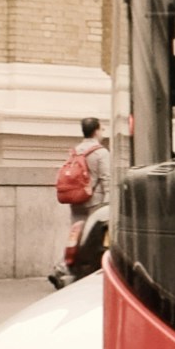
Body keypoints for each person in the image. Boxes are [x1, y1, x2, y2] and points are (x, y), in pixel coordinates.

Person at [51, 117, 112, 286]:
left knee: (74, 237)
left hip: (76, 199)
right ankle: (78, 272)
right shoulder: (101, 152)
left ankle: (62, 268)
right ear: (96, 131)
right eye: (101, 129)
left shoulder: (77, 150)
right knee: (89, 240)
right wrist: (108, 203)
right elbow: (106, 178)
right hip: (95, 201)